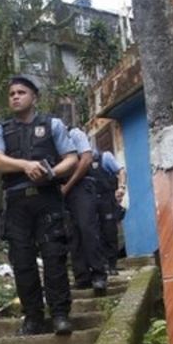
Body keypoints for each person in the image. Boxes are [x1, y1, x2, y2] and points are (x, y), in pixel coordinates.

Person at [0, 75, 78, 335]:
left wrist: (52, 173)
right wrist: (25, 165)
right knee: (23, 261)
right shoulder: (1, 129)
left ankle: (60, 315)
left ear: (34, 97)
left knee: (54, 257)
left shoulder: (53, 125)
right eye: (12, 93)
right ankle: (33, 318)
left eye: (21, 92)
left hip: (47, 199)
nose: (15, 97)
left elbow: (71, 158)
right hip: (17, 203)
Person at [62, 126, 108, 294]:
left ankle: (98, 275)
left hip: (81, 186)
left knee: (87, 228)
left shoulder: (74, 134)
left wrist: (67, 186)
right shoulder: (53, 140)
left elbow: (86, 159)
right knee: (71, 234)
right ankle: (81, 277)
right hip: (63, 189)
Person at [93, 149, 125, 274]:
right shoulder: (82, 161)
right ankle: (102, 265)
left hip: (107, 200)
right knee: (96, 234)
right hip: (91, 202)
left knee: (110, 232)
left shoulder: (105, 157)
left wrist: (121, 187)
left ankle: (112, 265)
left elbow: (121, 171)